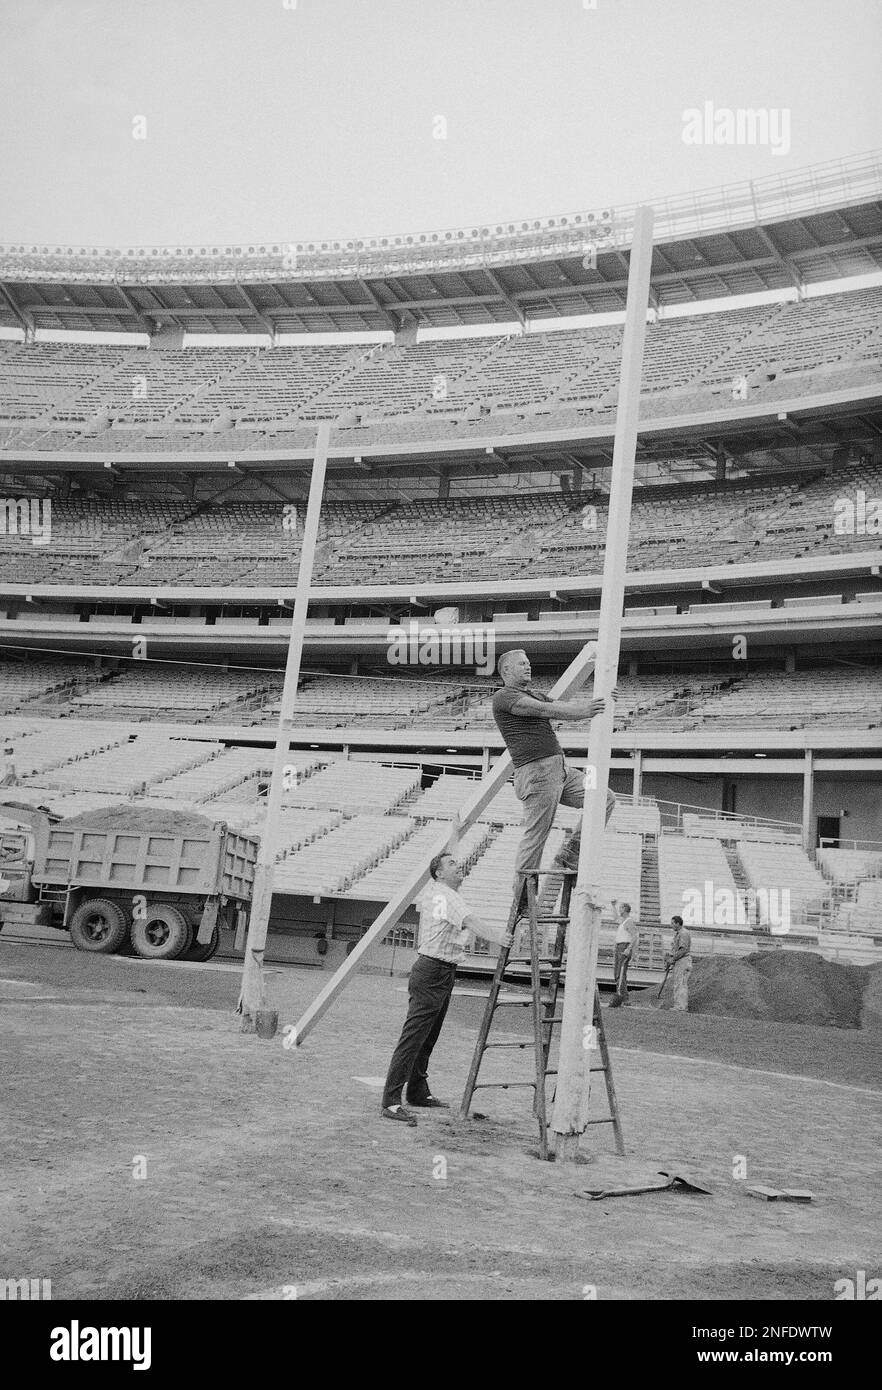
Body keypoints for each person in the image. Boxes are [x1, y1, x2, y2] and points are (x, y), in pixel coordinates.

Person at [381, 850, 511, 1126]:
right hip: (432, 970)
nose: (459, 866)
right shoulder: (444, 895)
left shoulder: (445, 894)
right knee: (413, 1037)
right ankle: (391, 1101)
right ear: (438, 872)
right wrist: (500, 937)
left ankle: (416, 1091)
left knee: (427, 1037)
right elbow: (472, 922)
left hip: (441, 970)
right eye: (452, 864)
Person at [490, 649, 617, 896]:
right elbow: (546, 711)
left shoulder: (534, 693)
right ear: (506, 670)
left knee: (605, 798)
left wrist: (605, 699)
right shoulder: (503, 697)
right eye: (521, 664)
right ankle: (523, 895)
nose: (528, 666)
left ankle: (571, 851)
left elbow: (560, 706)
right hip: (536, 772)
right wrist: (586, 710)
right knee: (537, 835)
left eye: (528, 662)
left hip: (560, 770)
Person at [609, 898, 639, 1007]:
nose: (619, 909)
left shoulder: (629, 921)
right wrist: (613, 906)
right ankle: (623, 997)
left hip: (624, 947)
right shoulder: (623, 921)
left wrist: (628, 949)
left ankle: (624, 998)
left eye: (620, 907)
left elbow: (634, 936)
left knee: (620, 974)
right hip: (619, 947)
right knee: (618, 973)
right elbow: (615, 918)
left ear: (625, 909)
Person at [665, 915, 692, 1011]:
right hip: (680, 961)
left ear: (677, 923)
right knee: (678, 983)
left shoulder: (683, 933)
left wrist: (673, 959)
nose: (671, 925)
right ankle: (679, 1005)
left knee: (681, 984)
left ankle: (681, 1007)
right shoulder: (679, 934)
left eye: (672, 923)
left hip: (683, 961)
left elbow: (683, 949)